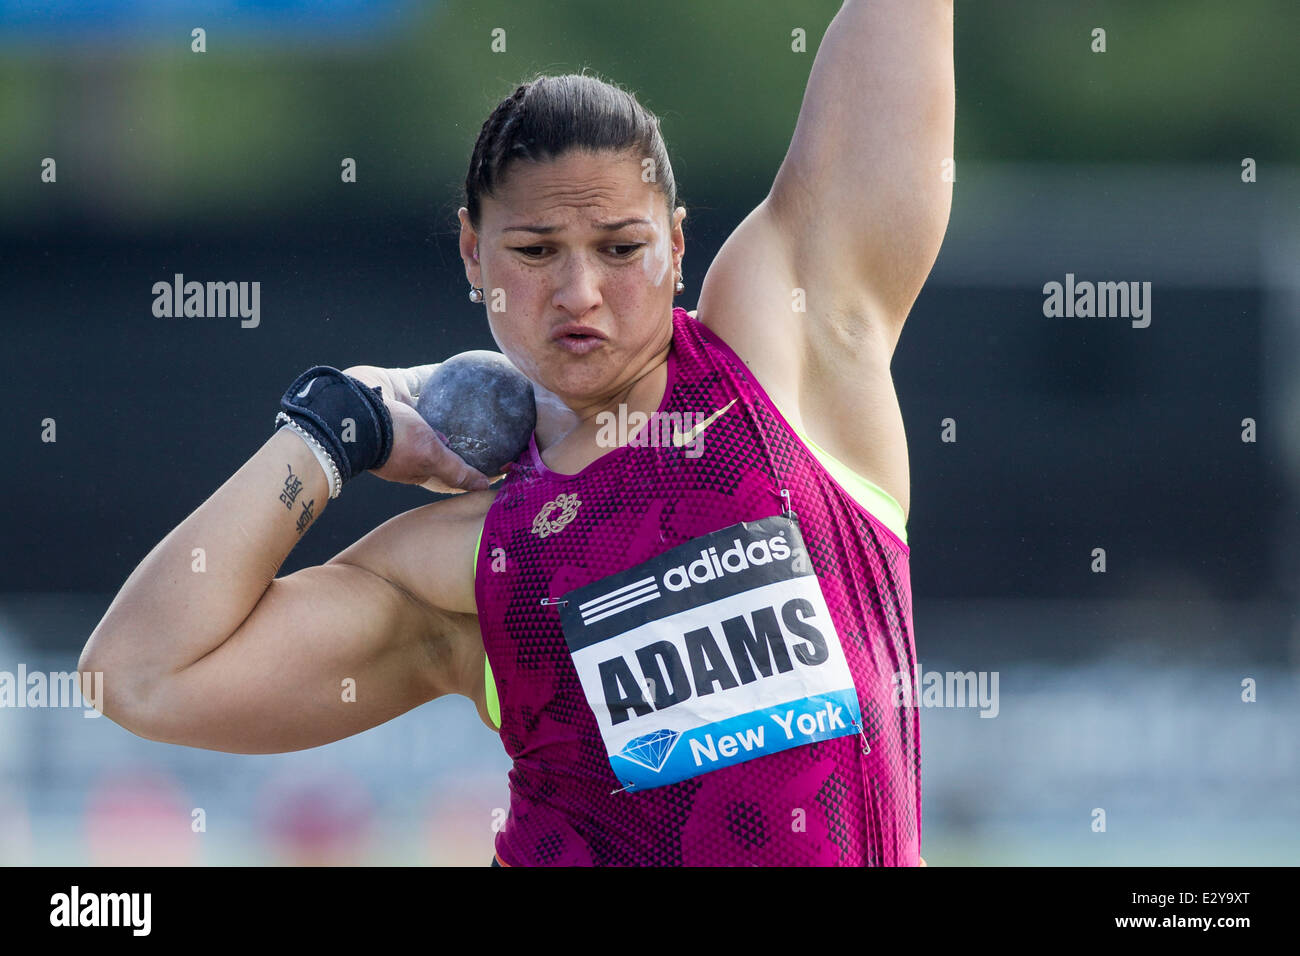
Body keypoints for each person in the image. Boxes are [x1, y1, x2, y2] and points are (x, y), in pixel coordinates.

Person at [80, 0, 953, 866]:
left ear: (678, 245)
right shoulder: (465, 563)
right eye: (536, 252)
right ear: (472, 254)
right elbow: (137, 678)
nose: (579, 291)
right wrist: (332, 428)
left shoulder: (785, 360)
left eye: (620, 249)